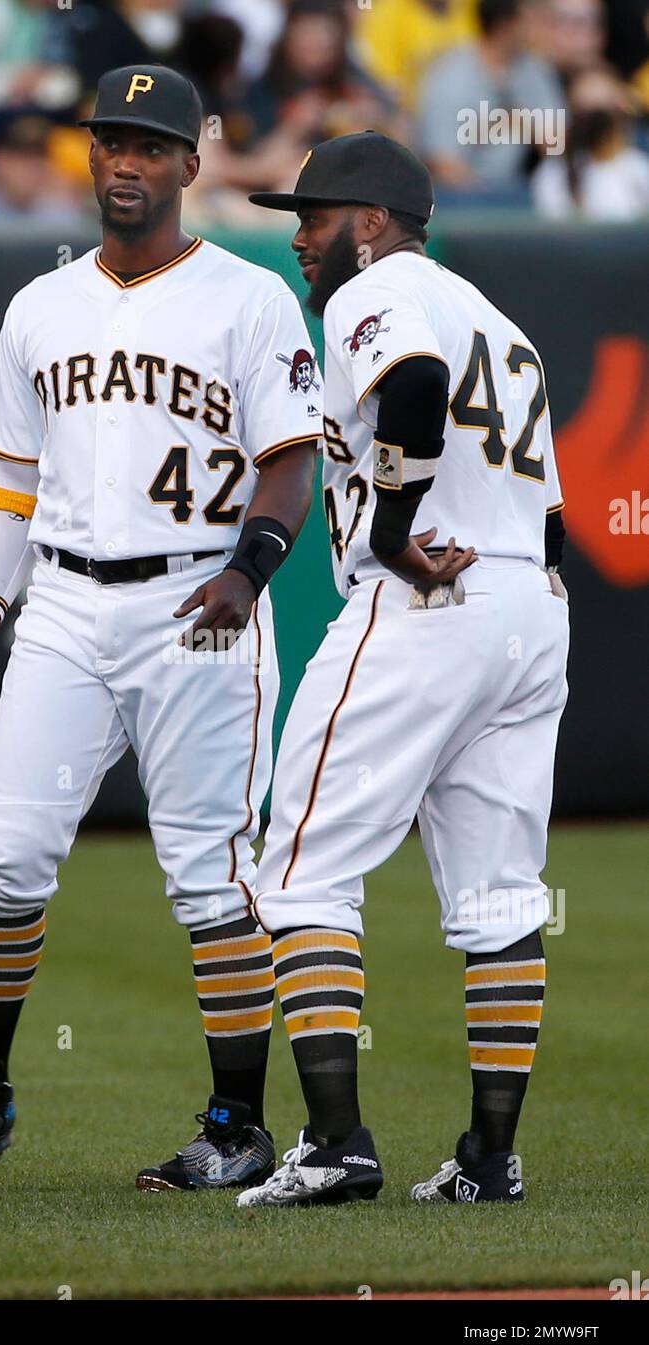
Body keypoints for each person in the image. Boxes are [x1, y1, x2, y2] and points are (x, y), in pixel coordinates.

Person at [0, 65, 320, 1195]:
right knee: (3, 858)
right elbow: (12, 484)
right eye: (108, 141)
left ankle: (237, 1123)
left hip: (197, 598)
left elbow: (291, 459)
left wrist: (251, 570)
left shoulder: (248, 295)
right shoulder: (38, 307)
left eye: (149, 145)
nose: (125, 162)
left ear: (193, 163)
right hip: (67, 605)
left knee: (208, 875)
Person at [238, 131, 569, 1207]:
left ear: (371, 224)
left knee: (299, 862)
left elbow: (413, 382)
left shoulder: (370, 294)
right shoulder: (506, 325)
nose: (298, 237)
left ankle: (334, 1144)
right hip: (528, 601)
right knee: (497, 892)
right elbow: (552, 516)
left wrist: (387, 530)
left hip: (427, 595)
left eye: (314, 215)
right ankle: (488, 1156)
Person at [415, 0, 564, 197]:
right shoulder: (451, 75)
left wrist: (523, 122)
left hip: (525, 189)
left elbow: (560, 149)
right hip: (462, 197)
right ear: (505, 26)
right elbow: (443, 164)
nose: (540, 26)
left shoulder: (534, 71)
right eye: (531, 19)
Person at [532, 65, 649, 218]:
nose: (595, 127)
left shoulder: (639, 168)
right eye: (586, 114)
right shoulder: (555, 172)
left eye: (602, 114)